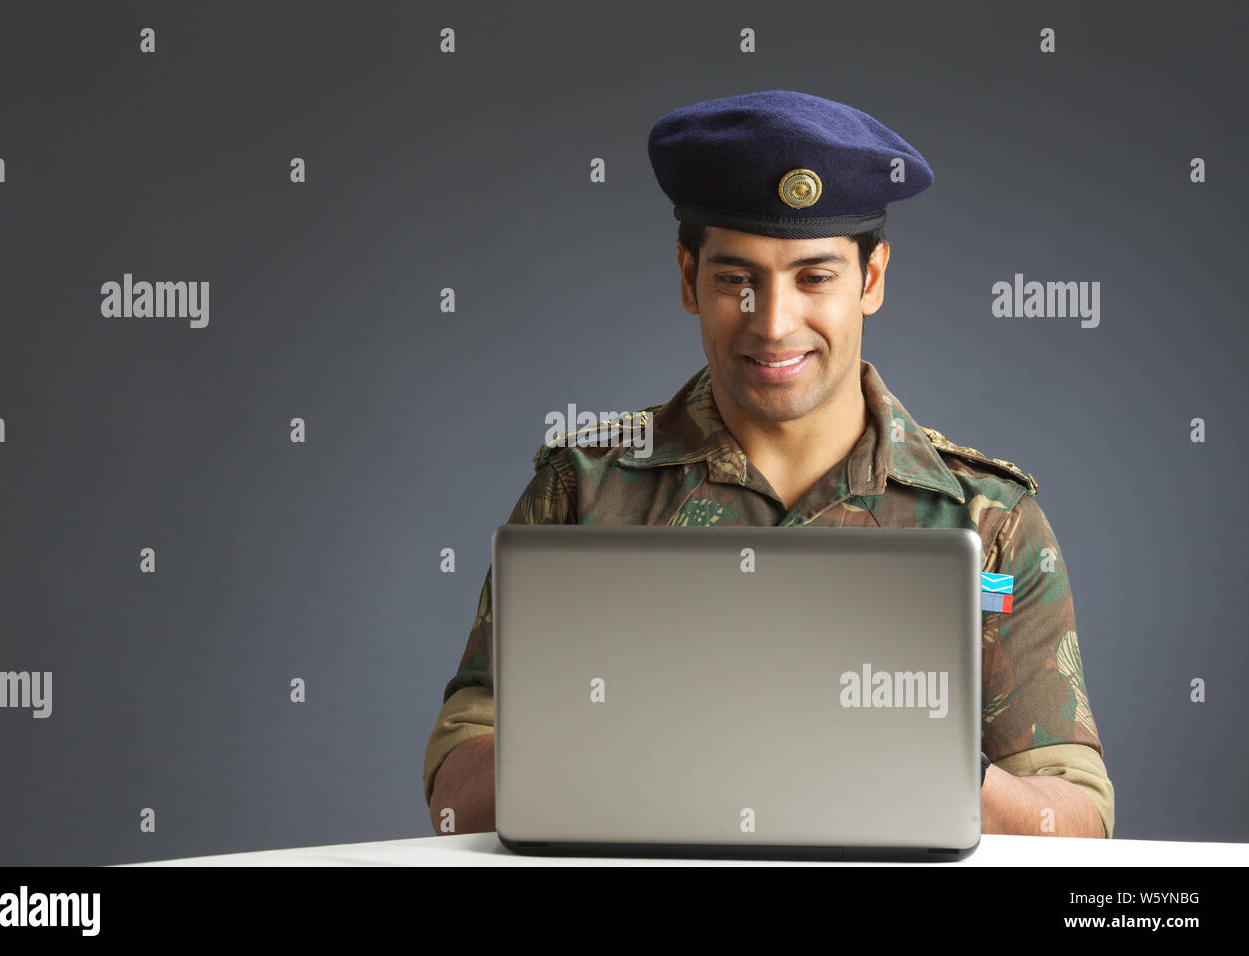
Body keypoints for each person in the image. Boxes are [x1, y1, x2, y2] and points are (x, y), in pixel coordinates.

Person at [421, 90, 1115, 839]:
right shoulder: (581, 493)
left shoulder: (991, 524)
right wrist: (653, 741)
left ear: (871, 279)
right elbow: (457, 787)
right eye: (734, 279)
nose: (774, 321)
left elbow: (1075, 819)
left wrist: (928, 762)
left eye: (814, 277)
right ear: (689, 278)